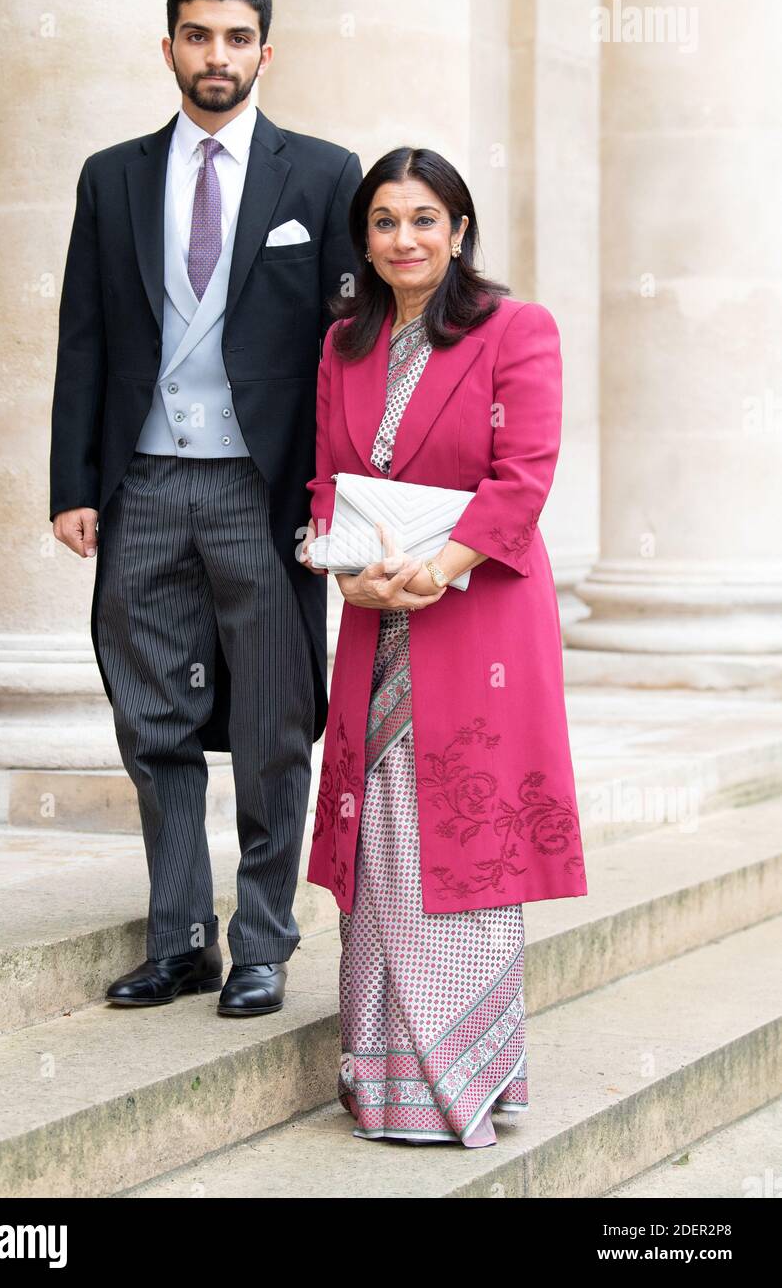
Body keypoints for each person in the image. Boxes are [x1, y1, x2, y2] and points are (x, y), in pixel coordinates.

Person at [49, 0, 361, 1017]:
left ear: (263, 52)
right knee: (153, 722)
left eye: (235, 39)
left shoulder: (321, 175)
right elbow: (82, 340)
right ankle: (178, 938)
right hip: (141, 486)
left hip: (258, 491)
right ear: (169, 44)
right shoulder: (112, 175)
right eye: (196, 35)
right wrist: (72, 482)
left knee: (274, 723)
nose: (215, 55)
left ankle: (263, 942)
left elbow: (342, 348)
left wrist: (336, 497)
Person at [300, 147, 587, 1144]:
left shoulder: (515, 330)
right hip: (373, 619)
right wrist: (345, 572)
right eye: (383, 221)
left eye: (424, 219)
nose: (403, 238)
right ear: (363, 238)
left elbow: (523, 474)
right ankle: (381, 1081)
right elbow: (327, 483)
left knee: (457, 834)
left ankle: (462, 1083)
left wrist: (439, 568)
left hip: (477, 621)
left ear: (458, 232)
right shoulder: (342, 344)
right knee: (377, 828)